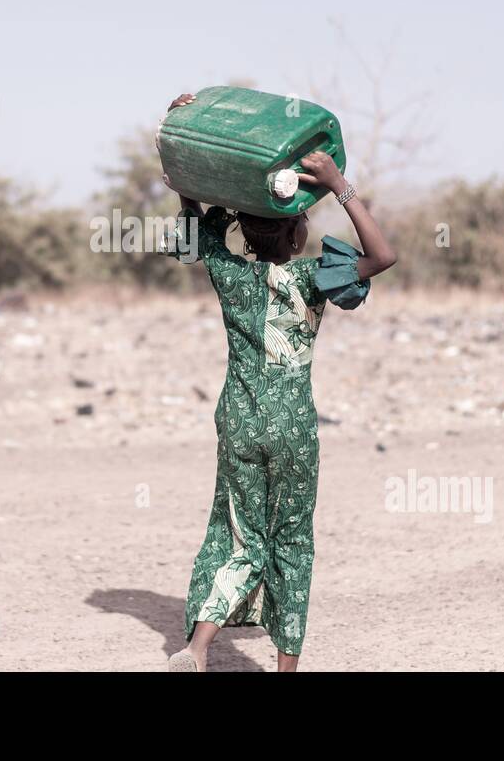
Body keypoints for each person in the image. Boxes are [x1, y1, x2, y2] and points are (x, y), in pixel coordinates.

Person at [161, 93, 398, 672]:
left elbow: (196, 229)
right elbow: (384, 256)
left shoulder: (226, 272)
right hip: (292, 428)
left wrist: (192, 160)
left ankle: (196, 649)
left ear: (243, 228)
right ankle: (286, 670)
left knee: (238, 533)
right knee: (291, 539)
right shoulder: (314, 279)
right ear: (297, 235)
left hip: (238, 420)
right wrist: (339, 183)